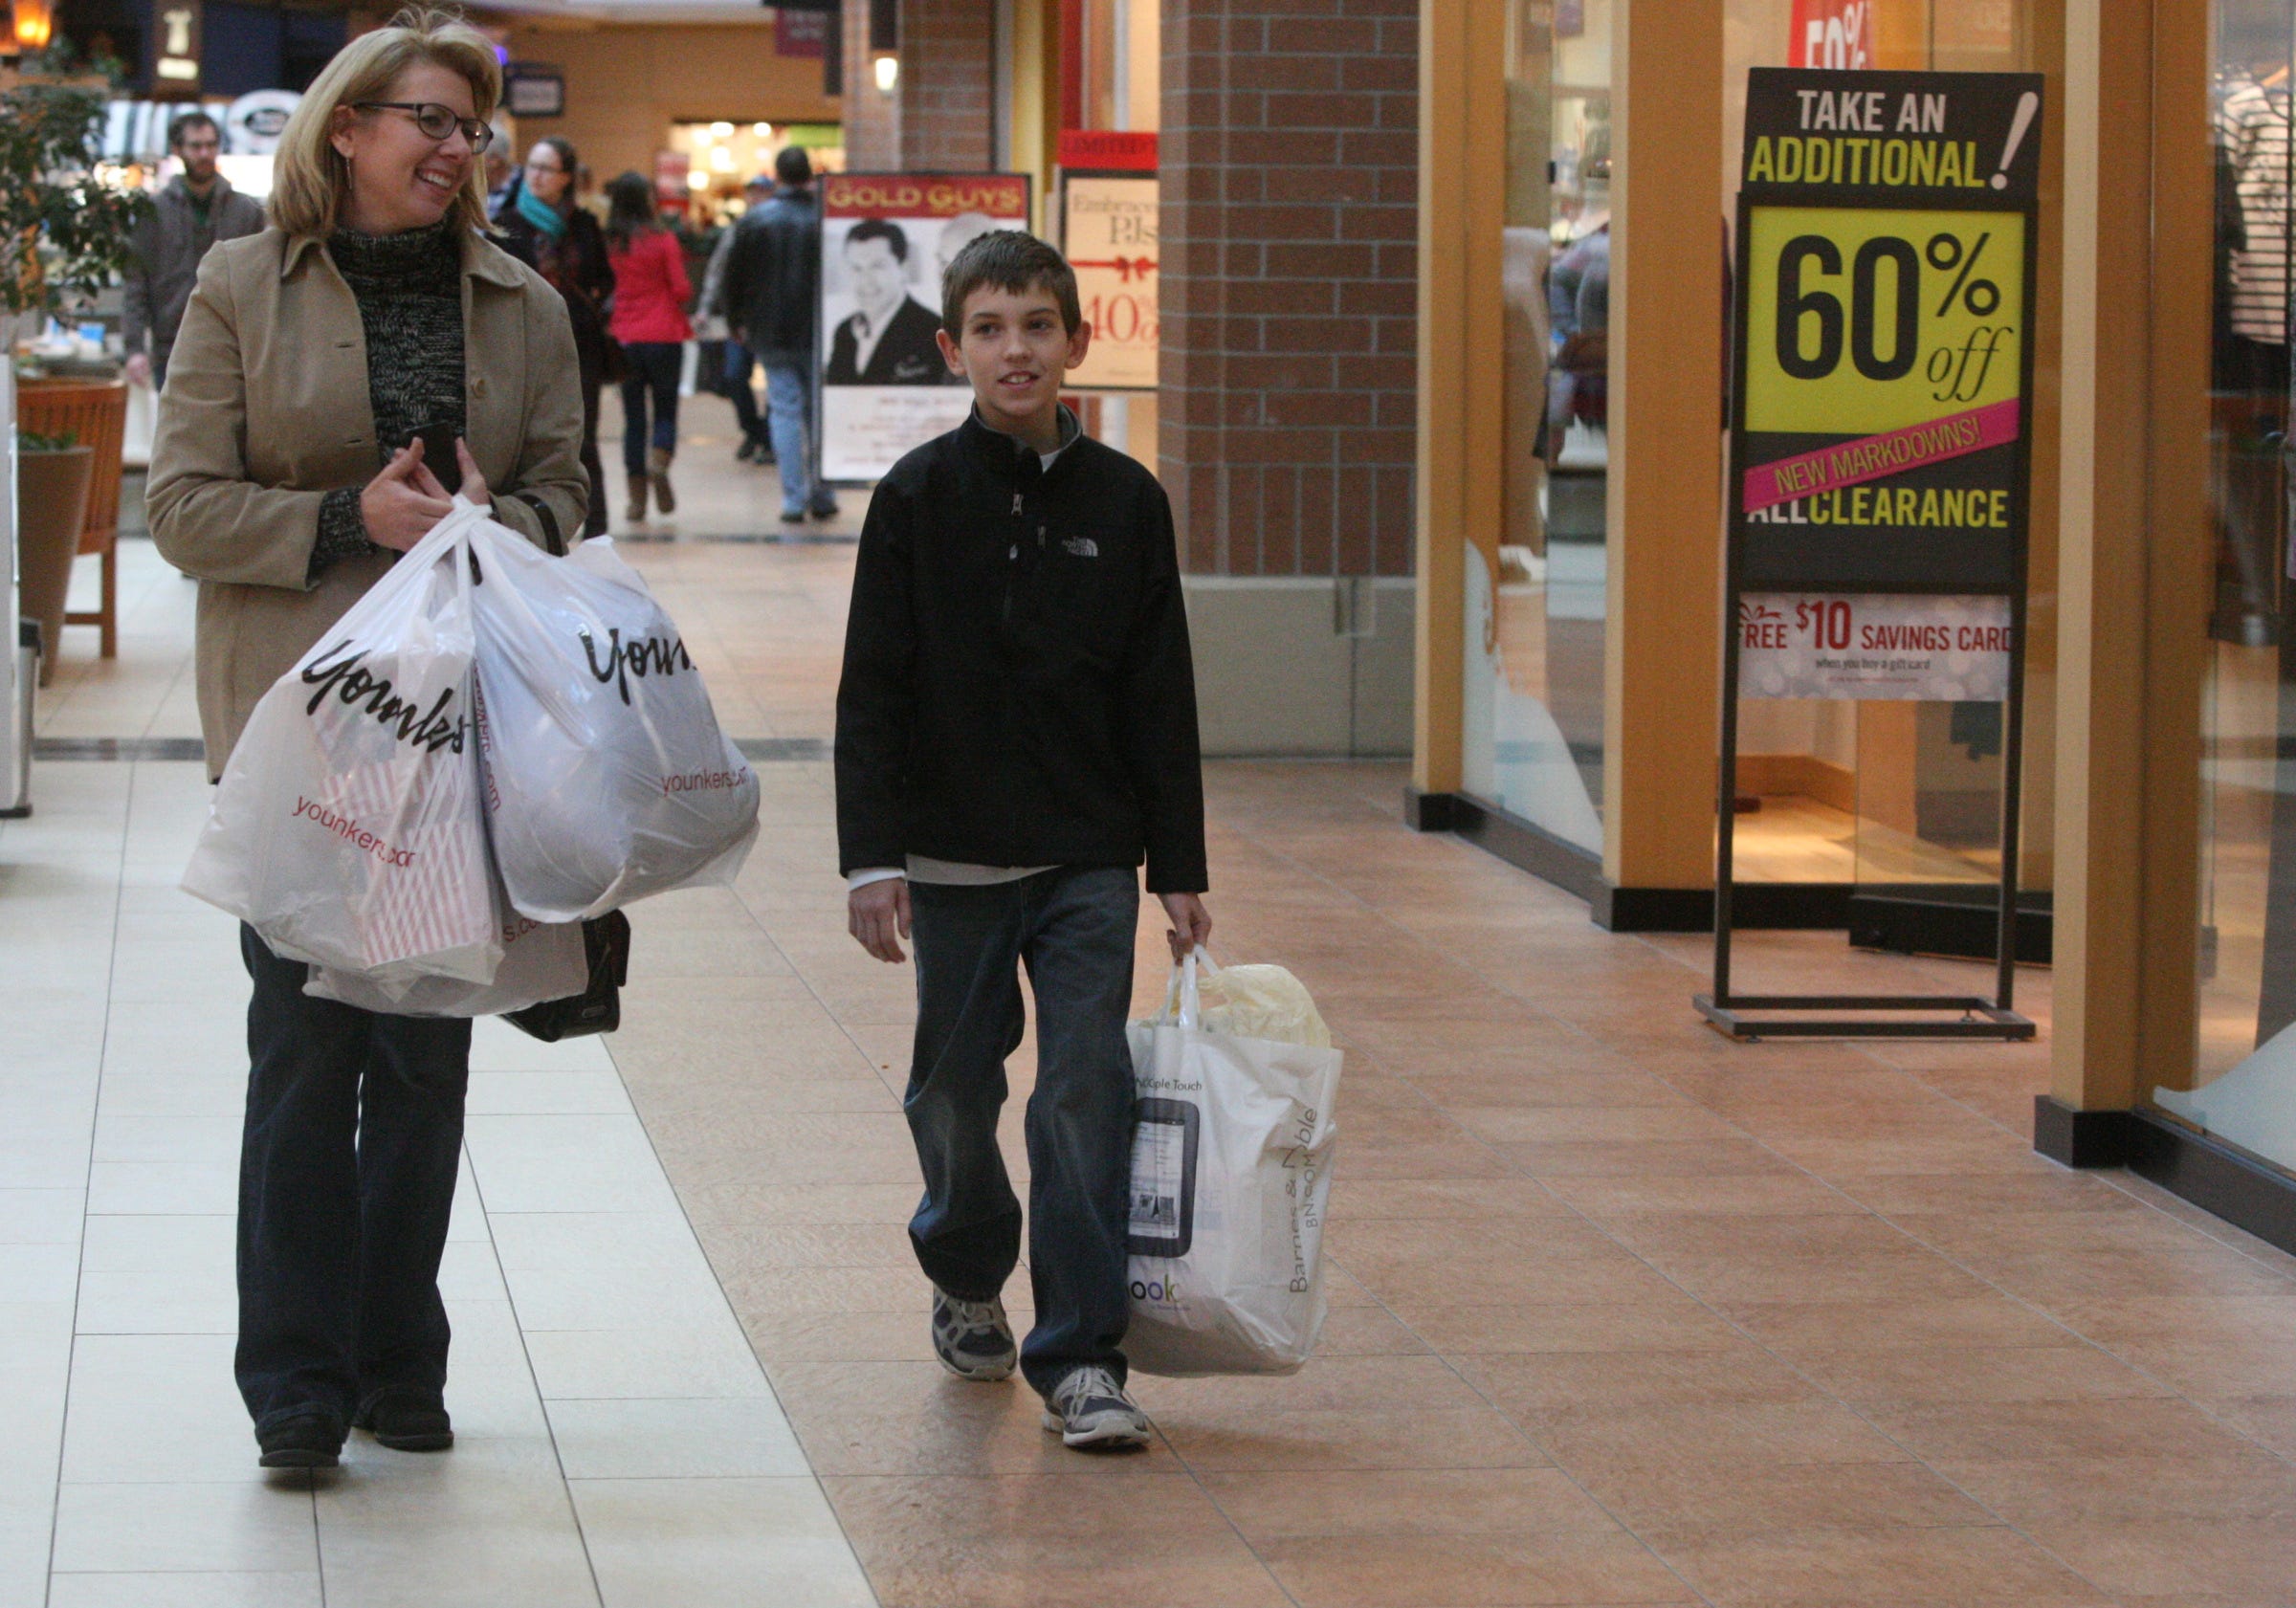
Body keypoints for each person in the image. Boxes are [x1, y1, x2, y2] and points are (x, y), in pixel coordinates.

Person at [144, 6, 588, 1471]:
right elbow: (184, 508)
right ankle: (294, 1384)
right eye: (430, 122)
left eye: (474, 128)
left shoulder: (523, 300)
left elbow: (565, 493)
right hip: (296, 733)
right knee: (303, 1045)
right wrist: (353, 517)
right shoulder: (237, 284)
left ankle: (403, 1355)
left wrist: (486, 523)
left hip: (453, 730)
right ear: (349, 127)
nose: (458, 151)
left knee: (421, 1059)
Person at [835, 230, 1210, 1451]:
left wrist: (1181, 865)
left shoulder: (1126, 501)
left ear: (1077, 345)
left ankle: (1083, 1358)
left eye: (1038, 327)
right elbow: (872, 688)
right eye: (990, 329)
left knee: (1084, 1092)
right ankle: (963, 1263)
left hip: (1089, 856)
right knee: (954, 1088)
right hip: (947, 861)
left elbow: (1162, 693)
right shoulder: (915, 499)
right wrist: (870, 855)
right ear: (953, 350)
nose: (1016, 350)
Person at [494, 136, 615, 539]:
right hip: (524, 345)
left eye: (546, 169)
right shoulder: (507, 225)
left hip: (582, 346)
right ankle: (530, 525)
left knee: (584, 437)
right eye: (531, 166)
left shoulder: (583, 224)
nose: (536, 176)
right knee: (525, 440)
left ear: (566, 177)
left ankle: (596, 528)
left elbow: (604, 278)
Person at [720, 145, 839, 520]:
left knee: (784, 408)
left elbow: (733, 275)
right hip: (819, 329)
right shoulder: (826, 218)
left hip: (768, 329)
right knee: (818, 412)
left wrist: (735, 319)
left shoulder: (755, 220)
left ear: (777, 176)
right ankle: (823, 494)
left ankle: (792, 498)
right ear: (808, 175)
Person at [122, 111, 266, 390]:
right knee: (177, 430)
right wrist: (135, 348)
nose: (205, 153)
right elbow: (136, 282)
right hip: (170, 346)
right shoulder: (153, 212)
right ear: (177, 150)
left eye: (211, 145)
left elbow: (261, 281)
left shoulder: (245, 211)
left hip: (232, 346)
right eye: (196, 146)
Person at [603, 170, 691, 522]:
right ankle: (660, 460)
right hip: (665, 334)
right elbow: (682, 289)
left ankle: (636, 501)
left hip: (625, 336)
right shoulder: (663, 239)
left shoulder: (609, 243)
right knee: (665, 410)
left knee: (634, 420)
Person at [699, 172, 774, 463]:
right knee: (734, 377)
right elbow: (718, 270)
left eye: (761, 192)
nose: (755, 198)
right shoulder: (737, 230)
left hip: (770, 321)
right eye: (751, 193)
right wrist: (706, 306)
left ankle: (767, 438)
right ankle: (754, 431)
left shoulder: (777, 228)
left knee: (775, 385)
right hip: (741, 319)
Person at [823, 217, 943, 385]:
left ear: (904, 268)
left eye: (877, 266)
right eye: (856, 268)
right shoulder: (844, 332)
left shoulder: (933, 332)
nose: (866, 280)